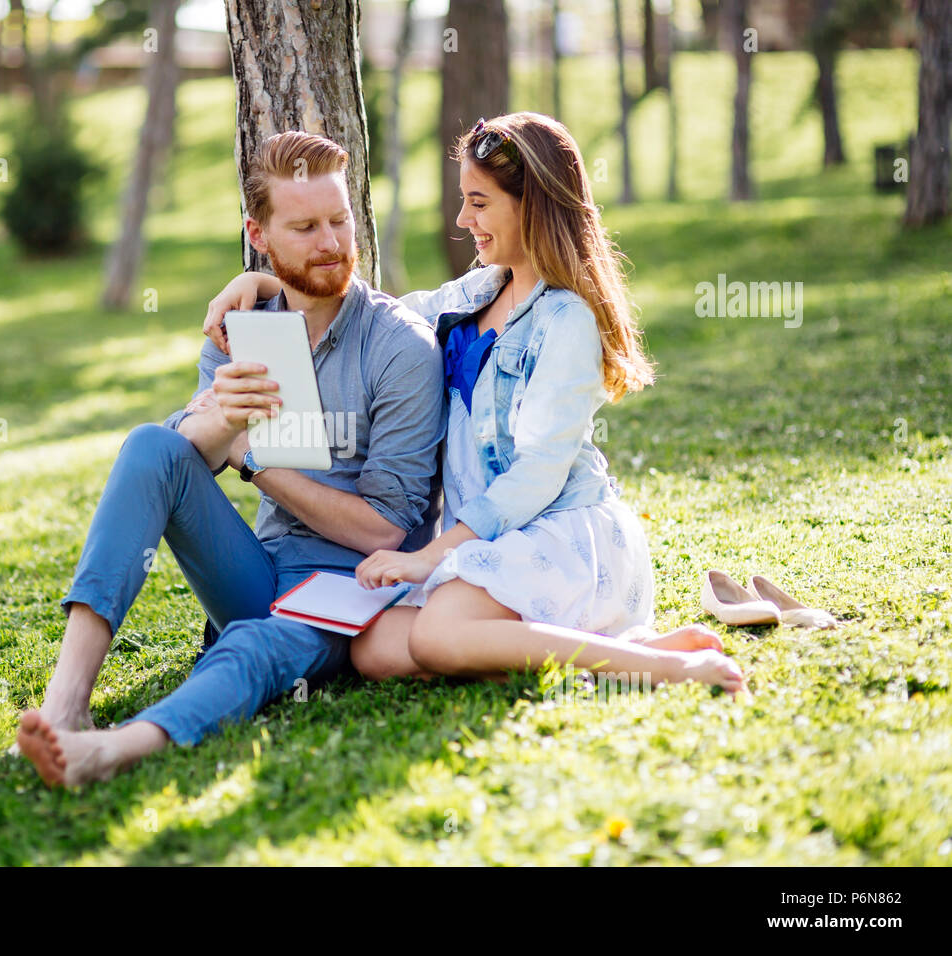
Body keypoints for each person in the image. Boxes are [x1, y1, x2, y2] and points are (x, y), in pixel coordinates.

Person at [203, 113, 746, 695]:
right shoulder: (473, 293)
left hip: (558, 534)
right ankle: (615, 646)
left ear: (531, 205)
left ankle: (661, 668)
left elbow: (535, 479)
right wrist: (262, 286)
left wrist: (429, 557)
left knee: (436, 636)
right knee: (373, 649)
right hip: (489, 547)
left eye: (479, 203)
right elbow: (364, 310)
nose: (464, 221)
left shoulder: (567, 320)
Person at [16, 131, 447, 786]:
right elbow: (173, 462)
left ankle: (111, 751)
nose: (330, 243)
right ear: (260, 233)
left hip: (354, 591)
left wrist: (252, 457)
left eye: (339, 220)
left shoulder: (399, 350)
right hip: (260, 570)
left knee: (255, 646)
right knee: (149, 443)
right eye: (304, 227)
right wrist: (222, 417)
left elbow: (384, 530)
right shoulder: (245, 325)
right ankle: (67, 702)